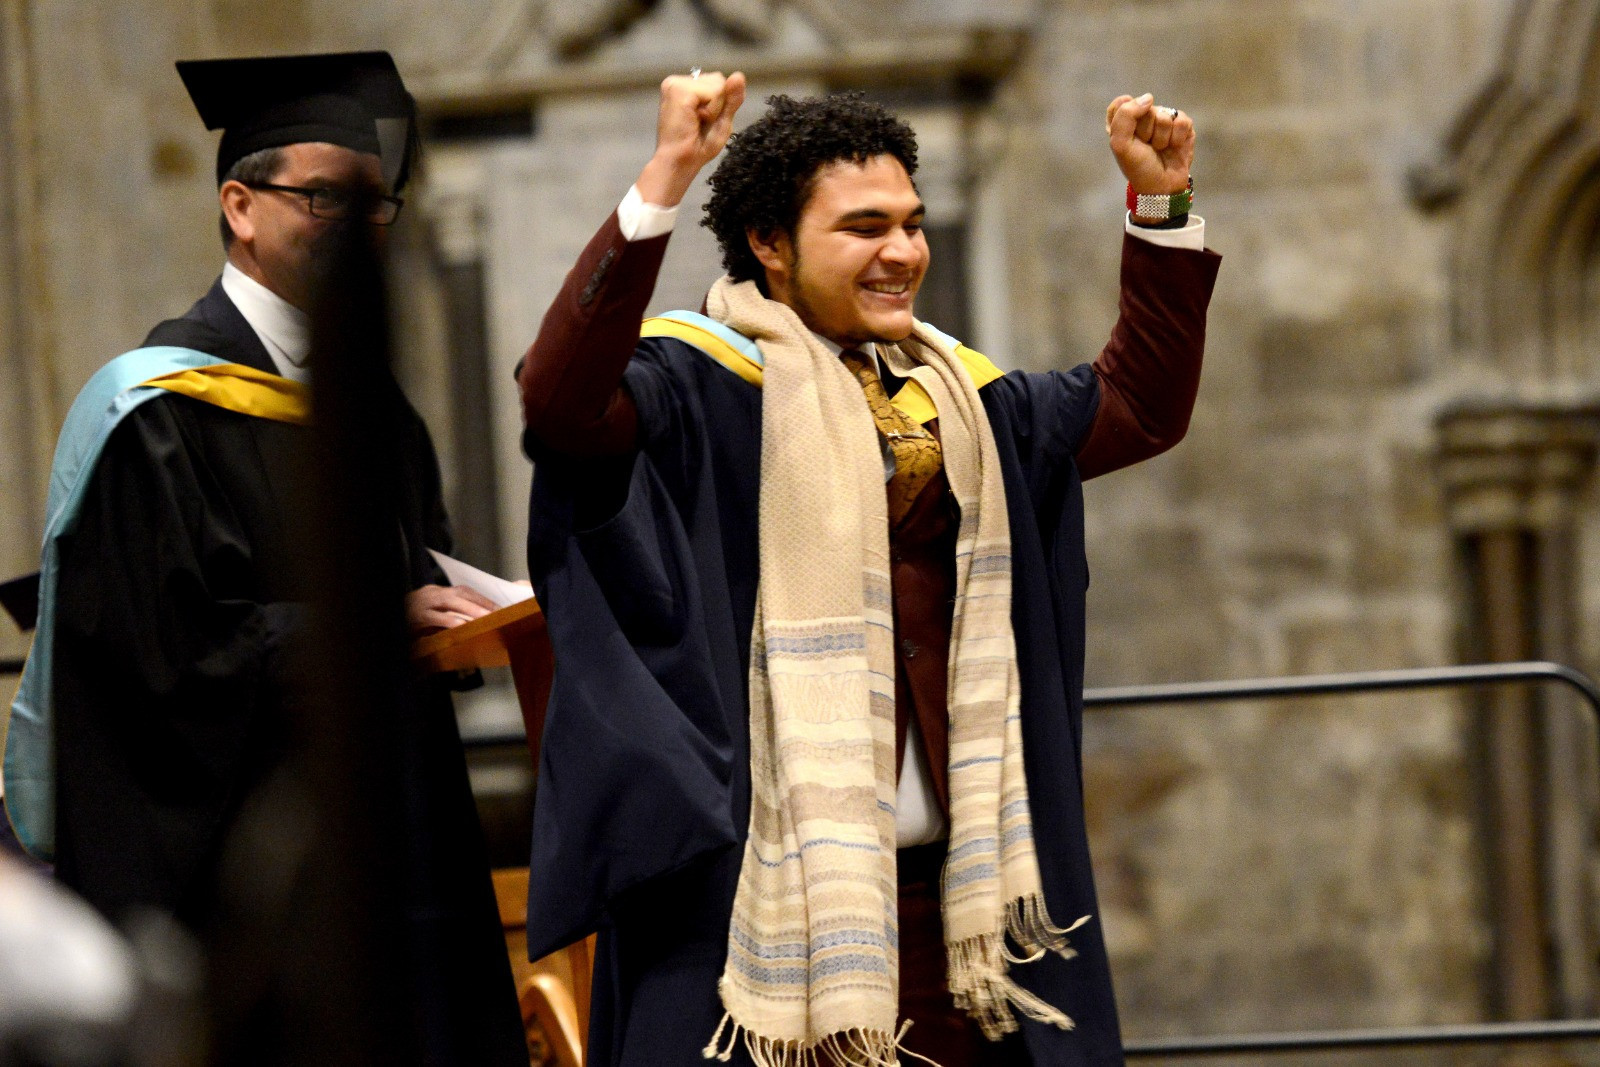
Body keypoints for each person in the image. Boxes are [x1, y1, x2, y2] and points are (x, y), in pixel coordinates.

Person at [517, 72, 1220, 1066]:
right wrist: (665, 178)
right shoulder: (694, 387)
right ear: (770, 243)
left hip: (954, 911)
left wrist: (1161, 205)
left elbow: (1138, 402)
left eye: (913, 223)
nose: (903, 252)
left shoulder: (965, 403)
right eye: (864, 227)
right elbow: (558, 403)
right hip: (752, 918)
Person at [3, 51, 526, 1063]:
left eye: (378, 204)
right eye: (327, 196)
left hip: (396, 843)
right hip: (241, 876)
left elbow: (419, 578)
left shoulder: (376, 413)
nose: (362, 227)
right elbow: (161, 655)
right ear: (240, 205)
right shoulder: (152, 413)